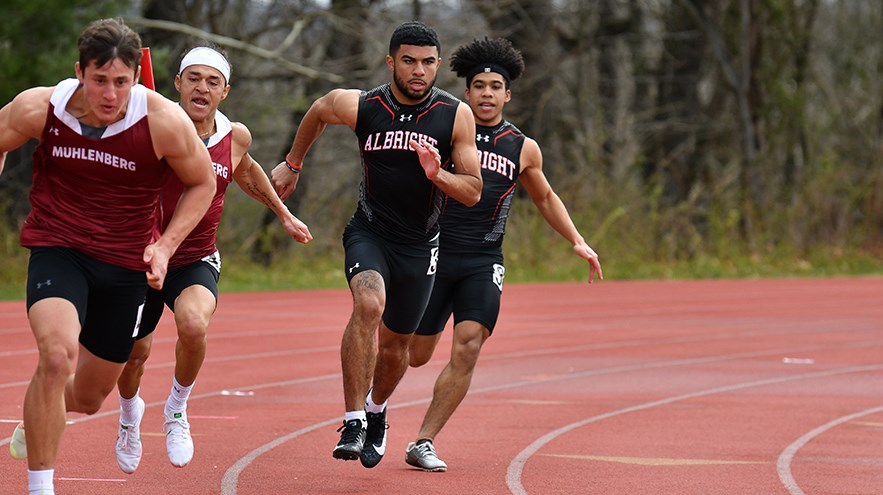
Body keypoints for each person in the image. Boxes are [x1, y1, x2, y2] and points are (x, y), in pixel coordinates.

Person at [0, 18, 216, 494]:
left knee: (89, 396)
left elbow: (204, 182)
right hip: (60, 248)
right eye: (100, 80)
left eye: (121, 82)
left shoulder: (161, 120)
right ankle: (40, 486)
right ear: (80, 72)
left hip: (123, 265)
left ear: (136, 79)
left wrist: (165, 245)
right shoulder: (41, 106)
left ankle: (41, 414)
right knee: (56, 358)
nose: (110, 94)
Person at [270, 21, 482, 469]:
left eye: (427, 62)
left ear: (439, 64)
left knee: (396, 347)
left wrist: (436, 174)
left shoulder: (454, 114)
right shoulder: (364, 105)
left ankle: (377, 410)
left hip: (421, 246)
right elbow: (321, 108)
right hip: (369, 232)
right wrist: (293, 163)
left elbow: (472, 190)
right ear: (391, 62)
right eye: (408, 60)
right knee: (368, 305)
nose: (418, 70)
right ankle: (352, 420)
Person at [404, 37, 603, 472]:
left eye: (496, 86)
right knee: (415, 354)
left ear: (507, 94)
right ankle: (374, 404)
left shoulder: (522, 146)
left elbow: (546, 197)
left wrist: (577, 240)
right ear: (467, 92)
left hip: (482, 261)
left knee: (469, 344)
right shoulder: (446, 132)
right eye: (479, 86)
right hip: (434, 254)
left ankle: (423, 441)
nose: (488, 94)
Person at [112, 45, 313, 474]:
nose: (202, 87)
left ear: (225, 92)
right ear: (178, 84)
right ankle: (130, 416)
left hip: (194, 258)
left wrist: (284, 214)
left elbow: (247, 170)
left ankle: (177, 411)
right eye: (194, 78)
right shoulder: (149, 127)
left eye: (213, 81)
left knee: (194, 324)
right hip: (141, 259)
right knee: (133, 356)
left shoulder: (234, 136)